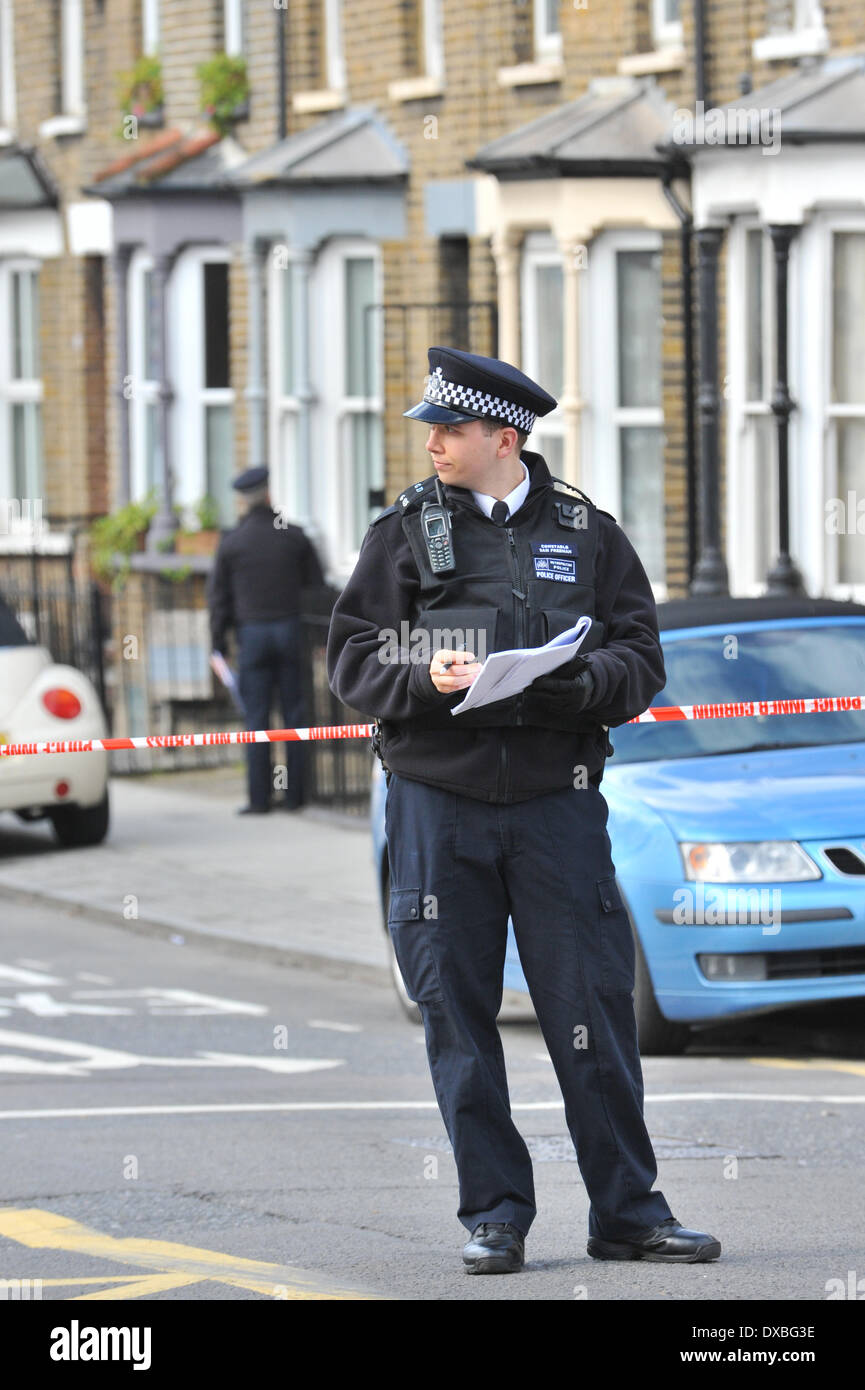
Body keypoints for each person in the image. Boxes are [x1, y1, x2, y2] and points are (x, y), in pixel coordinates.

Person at [326, 346, 721, 1275]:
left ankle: (627, 1213)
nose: (432, 442)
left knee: (590, 1011)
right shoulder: (402, 534)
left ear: (504, 437)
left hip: (556, 805)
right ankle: (495, 1214)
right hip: (438, 806)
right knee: (456, 1016)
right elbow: (351, 663)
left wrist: (576, 682)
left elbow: (639, 660)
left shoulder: (589, 534)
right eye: (430, 428)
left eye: (450, 428)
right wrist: (424, 676)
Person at [208, 466, 325, 815]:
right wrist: (321, 638)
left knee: (256, 719)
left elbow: (219, 599)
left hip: (253, 635)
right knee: (295, 716)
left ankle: (260, 800)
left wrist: (218, 643)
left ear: (242, 501)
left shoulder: (232, 542)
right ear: (269, 495)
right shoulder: (294, 536)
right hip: (290, 632)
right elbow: (316, 591)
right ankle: (294, 797)